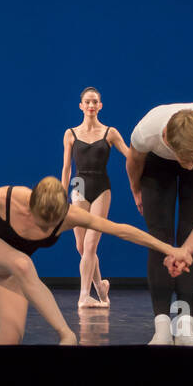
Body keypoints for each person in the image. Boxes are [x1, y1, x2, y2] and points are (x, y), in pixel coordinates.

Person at [0, 176, 191, 345]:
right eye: (39, 221)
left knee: (9, 338)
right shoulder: (11, 196)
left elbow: (122, 230)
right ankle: (66, 334)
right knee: (24, 264)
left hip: (12, 263)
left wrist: (170, 249)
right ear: (31, 203)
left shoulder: (70, 216)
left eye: (50, 226)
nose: (43, 229)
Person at [127, 102, 193, 345]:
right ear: (166, 137)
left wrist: (186, 250)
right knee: (159, 238)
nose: (190, 165)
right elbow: (133, 161)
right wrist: (136, 189)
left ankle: (186, 325)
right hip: (157, 163)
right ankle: (162, 327)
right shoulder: (148, 131)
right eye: (186, 159)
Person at [59, 86, 131, 308]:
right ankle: (100, 286)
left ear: (100, 105)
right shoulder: (70, 134)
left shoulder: (110, 132)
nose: (91, 105)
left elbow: (130, 156)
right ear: (81, 106)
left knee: (90, 245)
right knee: (81, 247)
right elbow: (66, 168)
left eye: (95, 102)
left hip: (101, 186)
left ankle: (83, 296)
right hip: (78, 185)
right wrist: (62, 196)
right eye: (87, 102)